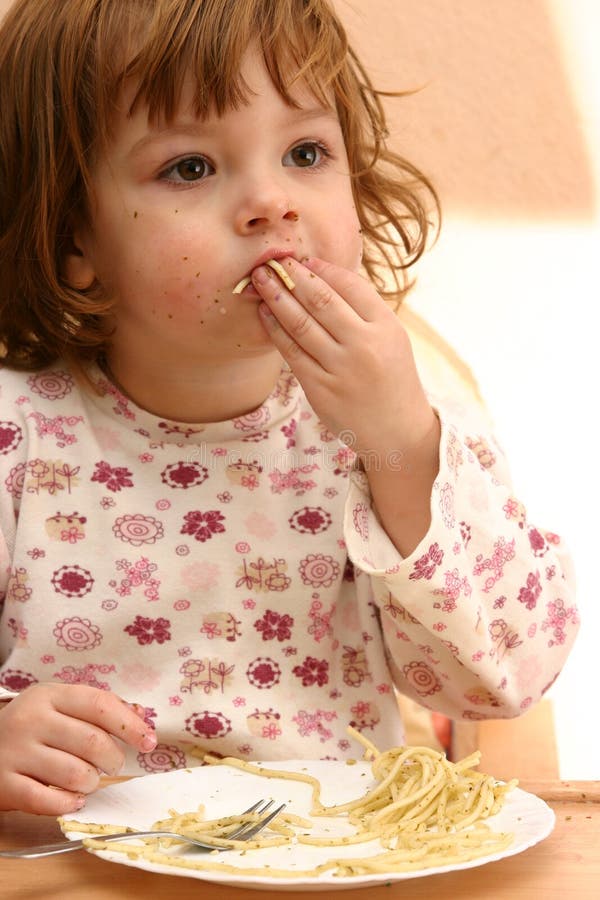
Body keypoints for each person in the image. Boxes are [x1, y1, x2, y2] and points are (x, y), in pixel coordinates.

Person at [0, 0, 578, 817]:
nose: (272, 203)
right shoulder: (17, 434)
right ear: (74, 239)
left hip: (332, 862)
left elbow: (507, 678)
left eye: (306, 151)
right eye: (191, 168)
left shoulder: (405, 425)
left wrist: (400, 445)